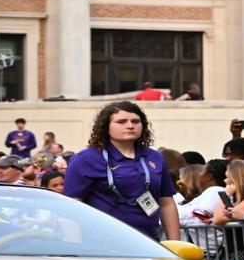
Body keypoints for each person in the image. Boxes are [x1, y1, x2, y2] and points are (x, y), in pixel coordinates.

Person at [62, 100, 179, 240]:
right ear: (106, 127)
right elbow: (71, 206)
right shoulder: (86, 159)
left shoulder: (154, 157)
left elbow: (166, 202)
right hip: (102, 242)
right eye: (121, 122)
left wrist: (176, 244)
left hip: (148, 241)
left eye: (135, 121)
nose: (130, 126)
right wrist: (74, 246)